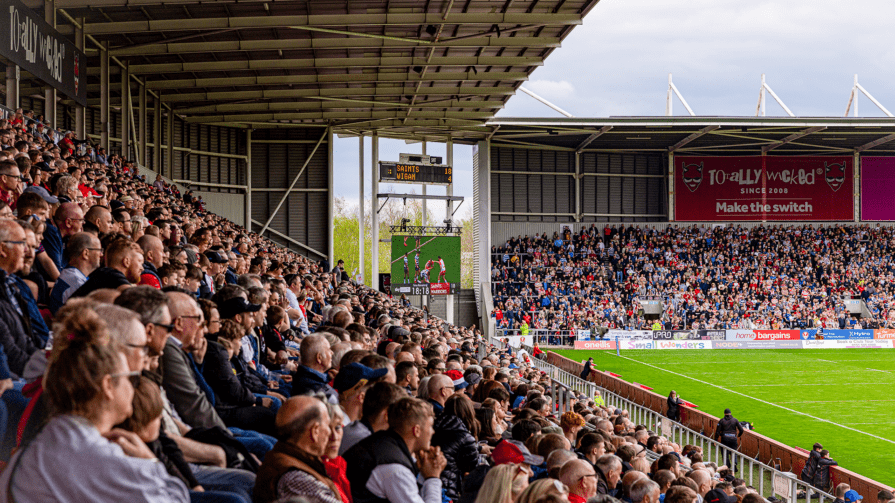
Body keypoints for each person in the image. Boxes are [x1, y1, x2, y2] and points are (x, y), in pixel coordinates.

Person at [0, 307, 189, 502]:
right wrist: (150, 462)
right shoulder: (99, 458)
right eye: (131, 379)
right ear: (108, 386)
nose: (135, 386)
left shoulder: (40, 446)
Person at [345, 397, 447, 503]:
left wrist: (423, 472)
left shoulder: (382, 443)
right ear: (416, 430)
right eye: (430, 426)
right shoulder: (395, 469)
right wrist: (433, 478)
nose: (433, 432)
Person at [254, 395, 343, 503]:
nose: (330, 433)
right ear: (315, 431)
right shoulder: (297, 479)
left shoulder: (284, 458)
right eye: (327, 425)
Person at [432, 394, 480, 501]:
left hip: (428, 485)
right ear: (469, 412)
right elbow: (473, 470)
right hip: (448, 491)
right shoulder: (465, 437)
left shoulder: (432, 426)